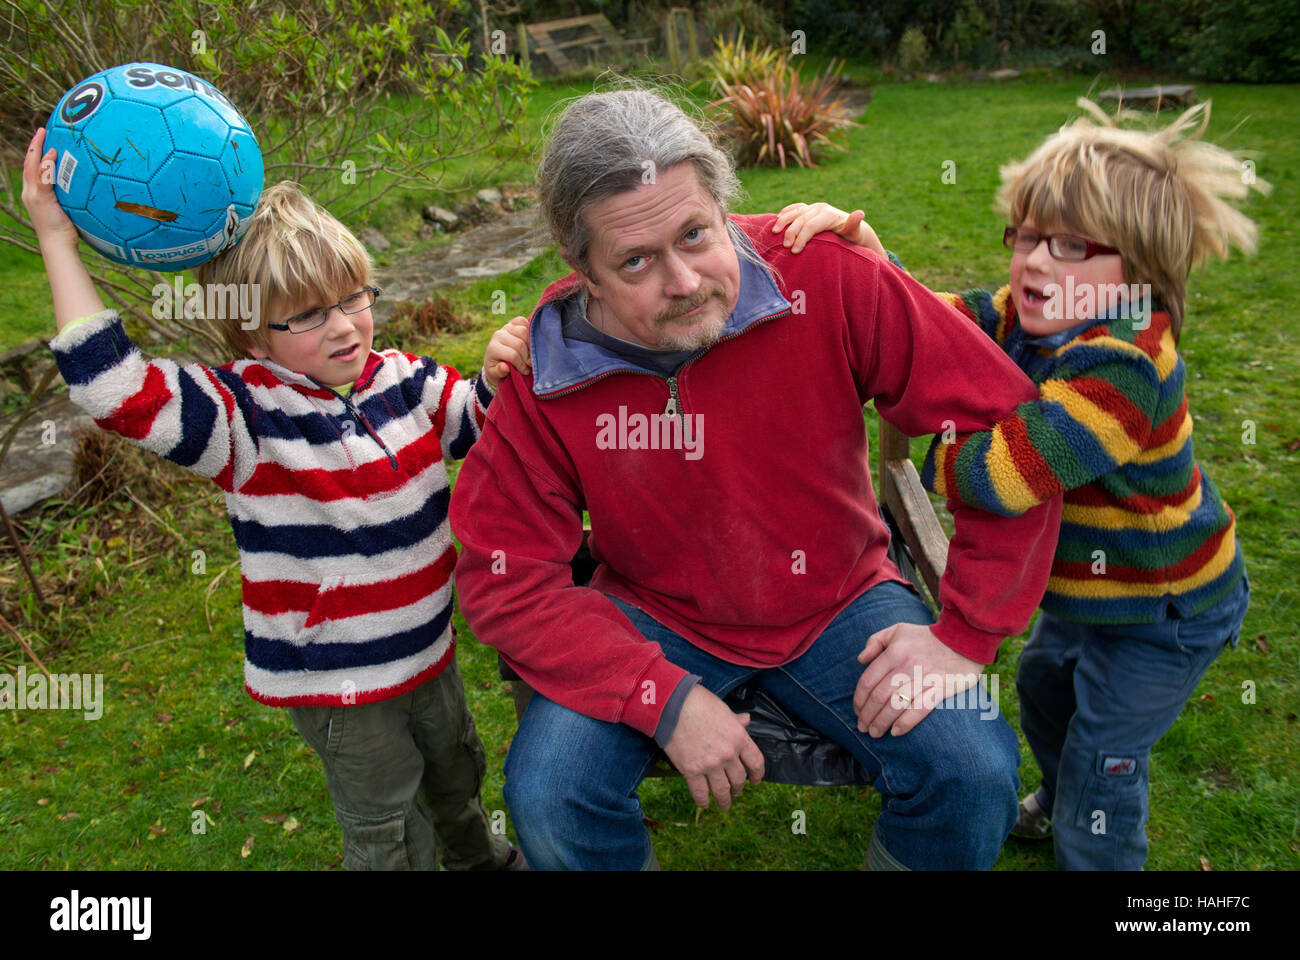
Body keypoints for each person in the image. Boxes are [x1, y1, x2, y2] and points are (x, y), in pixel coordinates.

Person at [448, 86, 1063, 870]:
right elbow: (506, 576)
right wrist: (659, 697)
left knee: (973, 773)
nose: (684, 282)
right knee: (548, 795)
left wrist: (967, 634)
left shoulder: (826, 274)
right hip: (654, 613)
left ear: (721, 205)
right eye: (635, 260)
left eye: (696, 234)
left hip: (841, 595)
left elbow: (1012, 429)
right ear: (584, 272)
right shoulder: (547, 365)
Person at [21, 127, 533, 871]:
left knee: (458, 777)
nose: (344, 326)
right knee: (387, 826)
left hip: (430, 652)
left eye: (354, 298)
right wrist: (56, 241)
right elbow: (112, 388)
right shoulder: (242, 419)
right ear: (253, 336)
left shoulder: (402, 378)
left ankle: (482, 860)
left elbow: (469, 426)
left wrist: (494, 374)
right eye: (308, 315)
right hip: (338, 686)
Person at [777, 97, 1262, 869]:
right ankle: (1057, 790)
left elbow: (1002, 476)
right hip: (1081, 593)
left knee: (1107, 755)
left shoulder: (1125, 366)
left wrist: (929, 443)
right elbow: (925, 330)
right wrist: (869, 257)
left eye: (1071, 246)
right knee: (1042, 691)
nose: (1036, 261)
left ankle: (1091, 843)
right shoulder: (1019, 319)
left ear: (1138, 268)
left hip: (1163, 610)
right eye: (1028, 237)